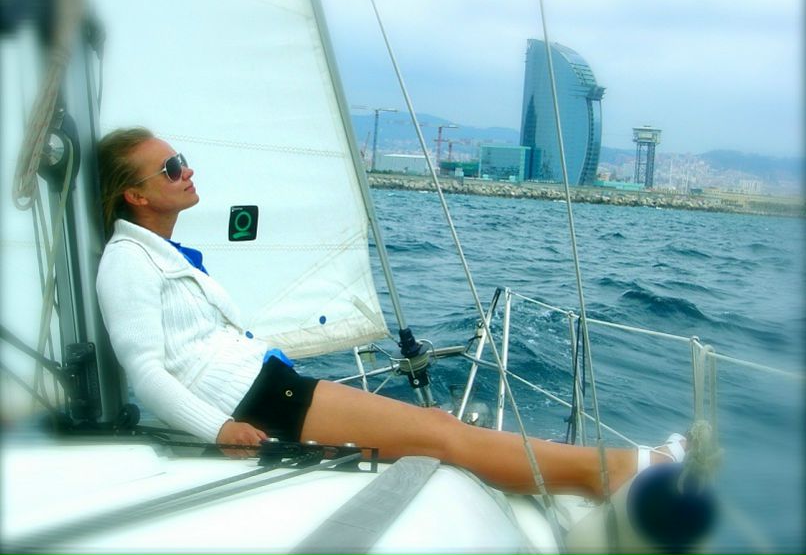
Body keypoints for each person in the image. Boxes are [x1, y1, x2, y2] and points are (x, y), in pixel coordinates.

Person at [95, 127, 684, 499]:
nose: (186, 171)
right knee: (441, 434)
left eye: (182, 159)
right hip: (254, 402)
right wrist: (219, 430)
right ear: (136, 195)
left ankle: (600, 472)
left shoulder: (158, 255)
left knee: (441, 429)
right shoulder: (127, 261)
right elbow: (145, 371)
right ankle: (608, 473)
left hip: (267, 389)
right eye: (170, 169)